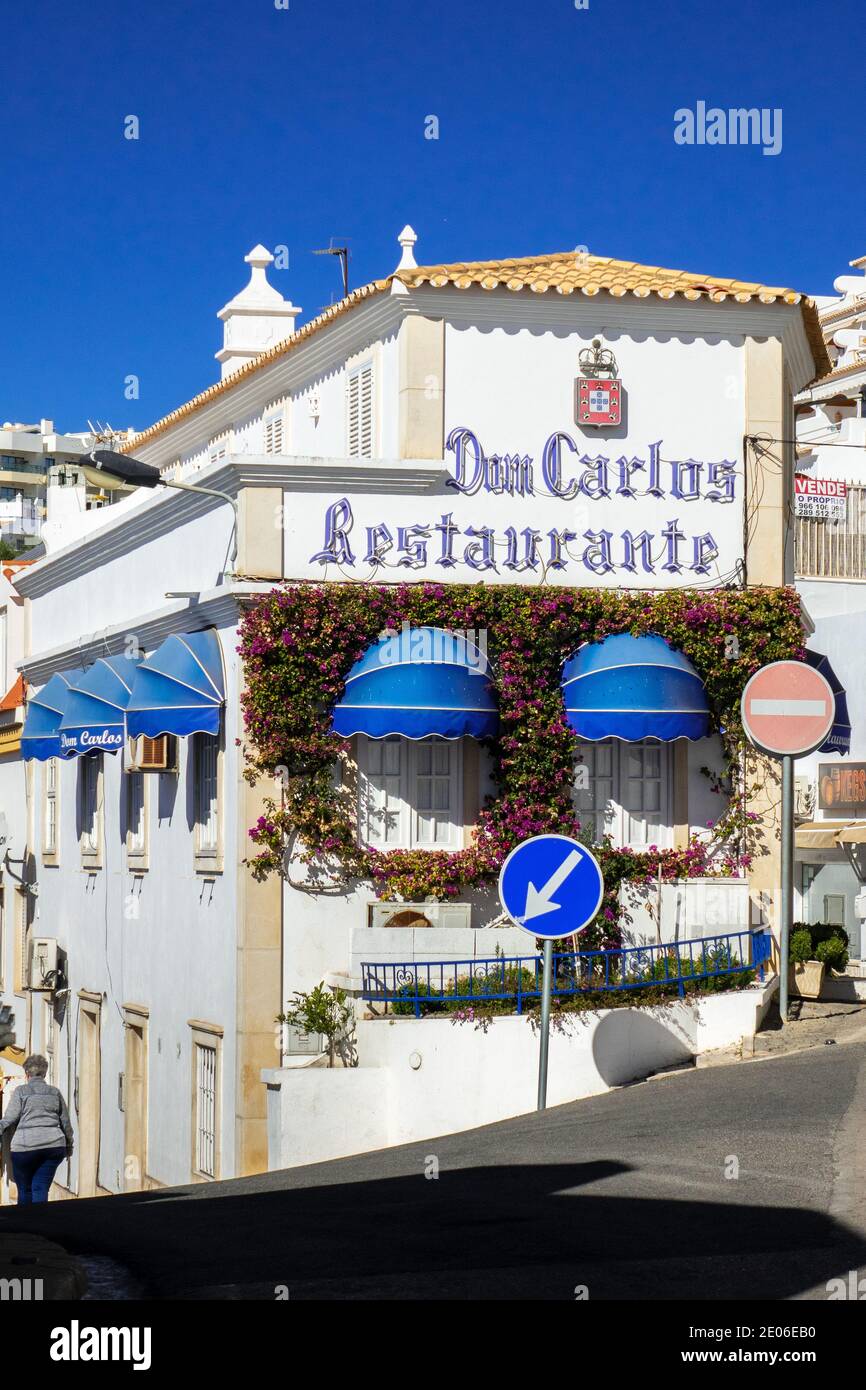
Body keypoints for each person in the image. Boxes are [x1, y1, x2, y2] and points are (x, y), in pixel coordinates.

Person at [0, 1054, 73, 1204]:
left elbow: (9, 1118)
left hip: (24, 1149)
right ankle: (40, 1222)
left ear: (27, 1074)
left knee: (25, 1189)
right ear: (45, 1073)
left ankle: (26, 1224)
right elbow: (65, 1122)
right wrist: (69, 1145)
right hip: (53, 1146)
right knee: (40, 1188)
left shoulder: (21, 1091)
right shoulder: (55, 1092)